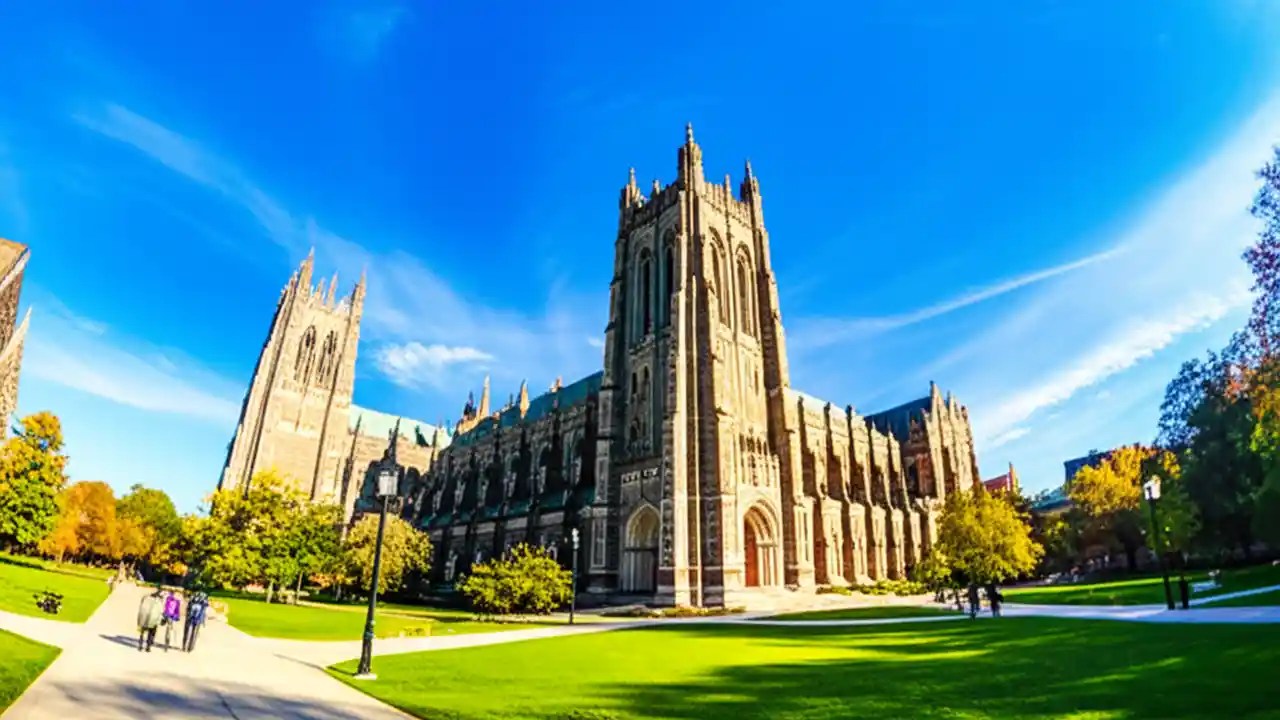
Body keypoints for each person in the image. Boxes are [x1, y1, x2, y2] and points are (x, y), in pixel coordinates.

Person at [136, 588, 165, 652]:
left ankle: (140, 645)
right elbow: (160, 611)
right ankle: (148, 646)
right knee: (151, 632)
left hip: (144, 617)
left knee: (142, 632)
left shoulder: (147, 598)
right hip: (153, 618)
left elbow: (142, 607)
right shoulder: (158, 601)